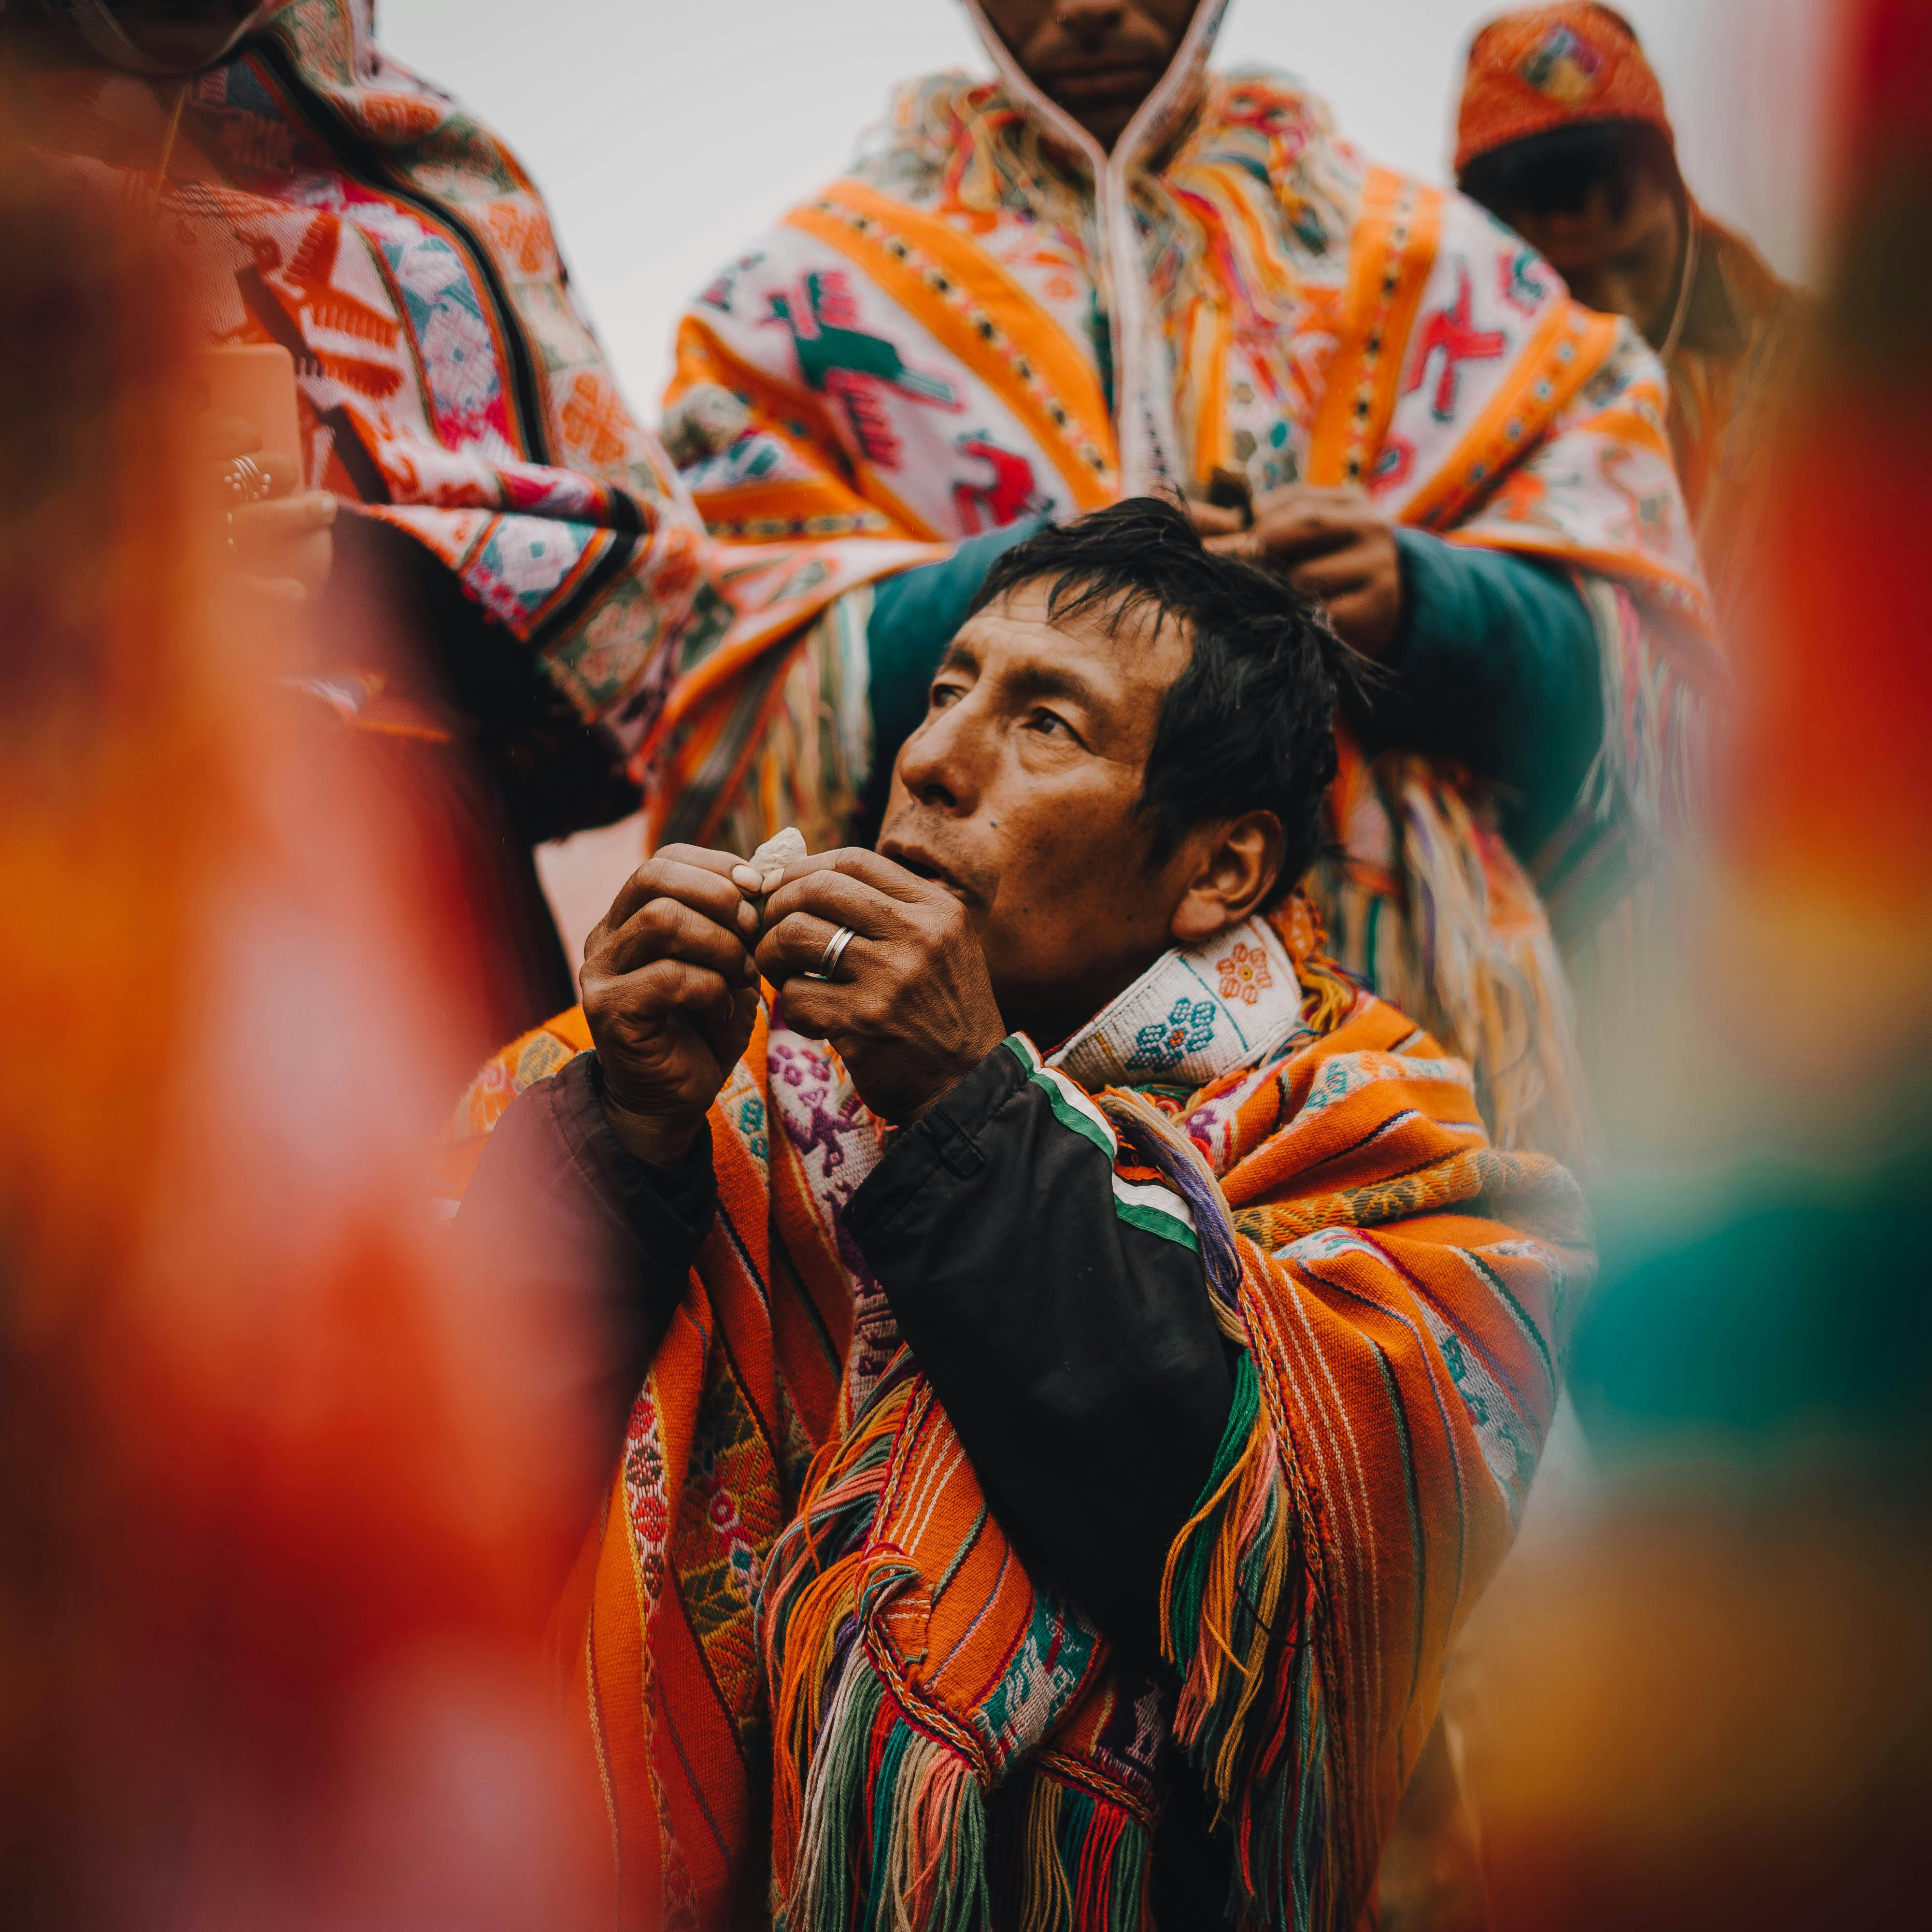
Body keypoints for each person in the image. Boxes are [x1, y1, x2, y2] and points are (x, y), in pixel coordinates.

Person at [451, 499, 1591, 1930]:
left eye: (1047, 723)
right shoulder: (672, 1078)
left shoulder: (1371, 1148)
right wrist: (615, 1141)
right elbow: (413, 1488)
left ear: (1218, 869)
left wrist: (967, 1114)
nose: (928, 759)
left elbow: (1281, 1587)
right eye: (944, 691)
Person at [654, 0, 1719, 1166]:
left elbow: (1651, 697)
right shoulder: (804, 300)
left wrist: (1425, 603)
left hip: (1417, 999)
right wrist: (1053, 588)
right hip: (942, 1033)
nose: (1090, 8)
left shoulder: (1429, 263)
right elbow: (716, 649)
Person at [2, 0, 969, 1046]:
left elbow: (631, 599)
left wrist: (360, 565)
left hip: (421, 862)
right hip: (72, 861)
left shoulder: (432, 175)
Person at [1455, 3, 1808, 620]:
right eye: (1565, 284)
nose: (1617, 319)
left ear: (1681, 205)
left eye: (1638, 262)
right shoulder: (1441, 408)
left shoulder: (1827, 376)